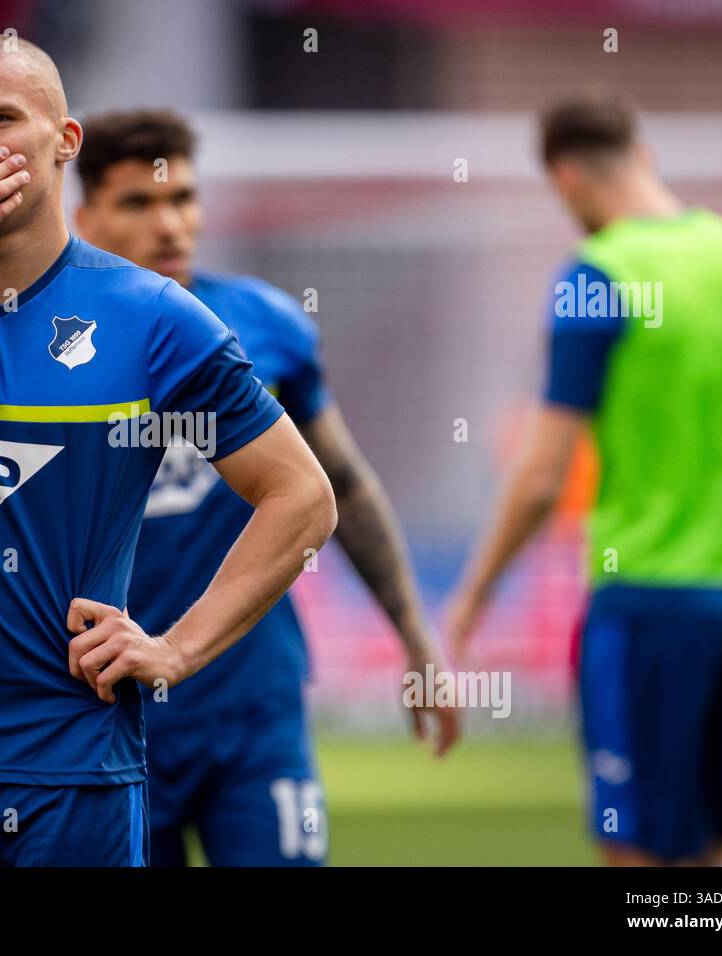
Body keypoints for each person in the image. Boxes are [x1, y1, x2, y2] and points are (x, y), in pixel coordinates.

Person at [0, 35, 337, 867]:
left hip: (73, 780)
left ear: (65, 140)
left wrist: (175, 648)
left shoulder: (156, 317)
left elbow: (305, 495)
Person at [74, 108, 459, 866]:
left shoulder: (268, 324)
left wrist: (415, 634)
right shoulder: (58, 342)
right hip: (105, 712)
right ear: (84, 215)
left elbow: (339, 484)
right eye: (138, 203)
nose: (169, 223)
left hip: (252, 704)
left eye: (182, 198)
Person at [446, 91, 722, 866]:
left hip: (649, 598)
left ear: (566, 178)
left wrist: (471, 598)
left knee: (636, 845)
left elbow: (542, 476)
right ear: (643, 155)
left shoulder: (599, 275)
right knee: (709, 846)